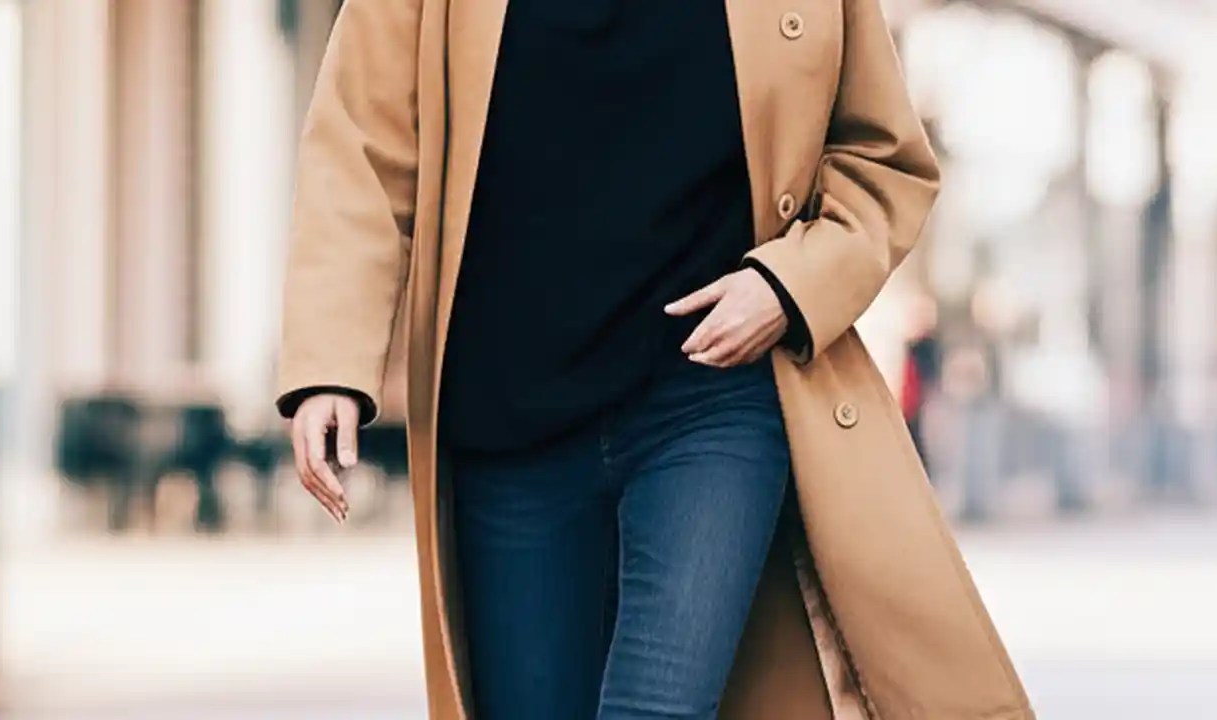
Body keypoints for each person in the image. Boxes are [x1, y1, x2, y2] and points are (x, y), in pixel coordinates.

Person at [275, 1, 1033, 719]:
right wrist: (330, 361)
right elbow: (363, 146)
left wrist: (788, 286)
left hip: (713, 399)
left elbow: (882, 157)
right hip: (509, 418)